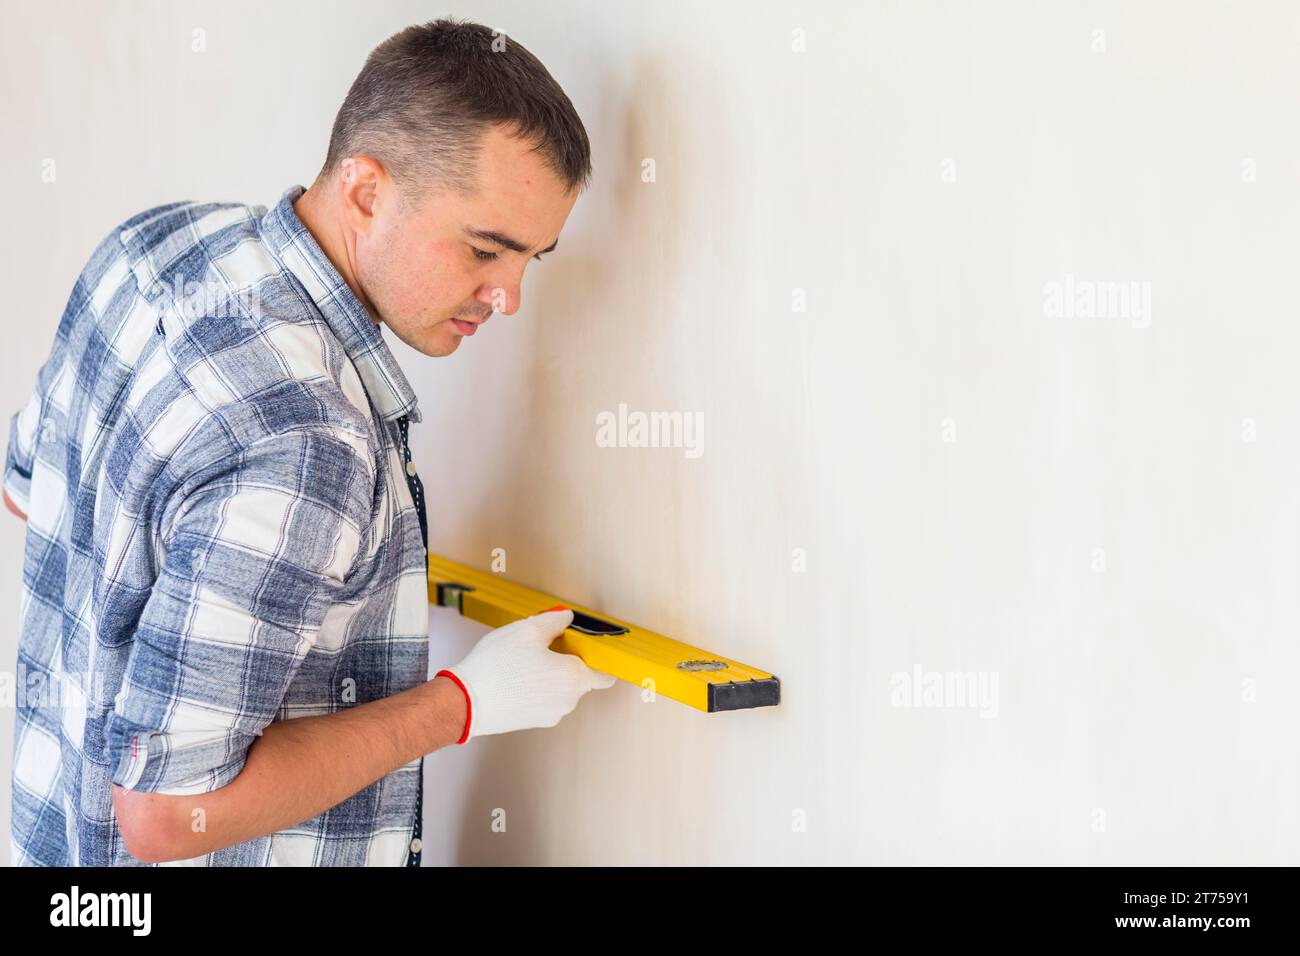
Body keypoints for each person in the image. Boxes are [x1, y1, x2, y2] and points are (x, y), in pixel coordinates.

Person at [4, 16, 615, 867]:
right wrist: (462, 704)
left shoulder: (158, 244)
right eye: (485, 249)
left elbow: (27, 488)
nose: (507, 296)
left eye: (531, 261)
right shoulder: (309, 437)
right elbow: (169, 817)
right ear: (366, 191)